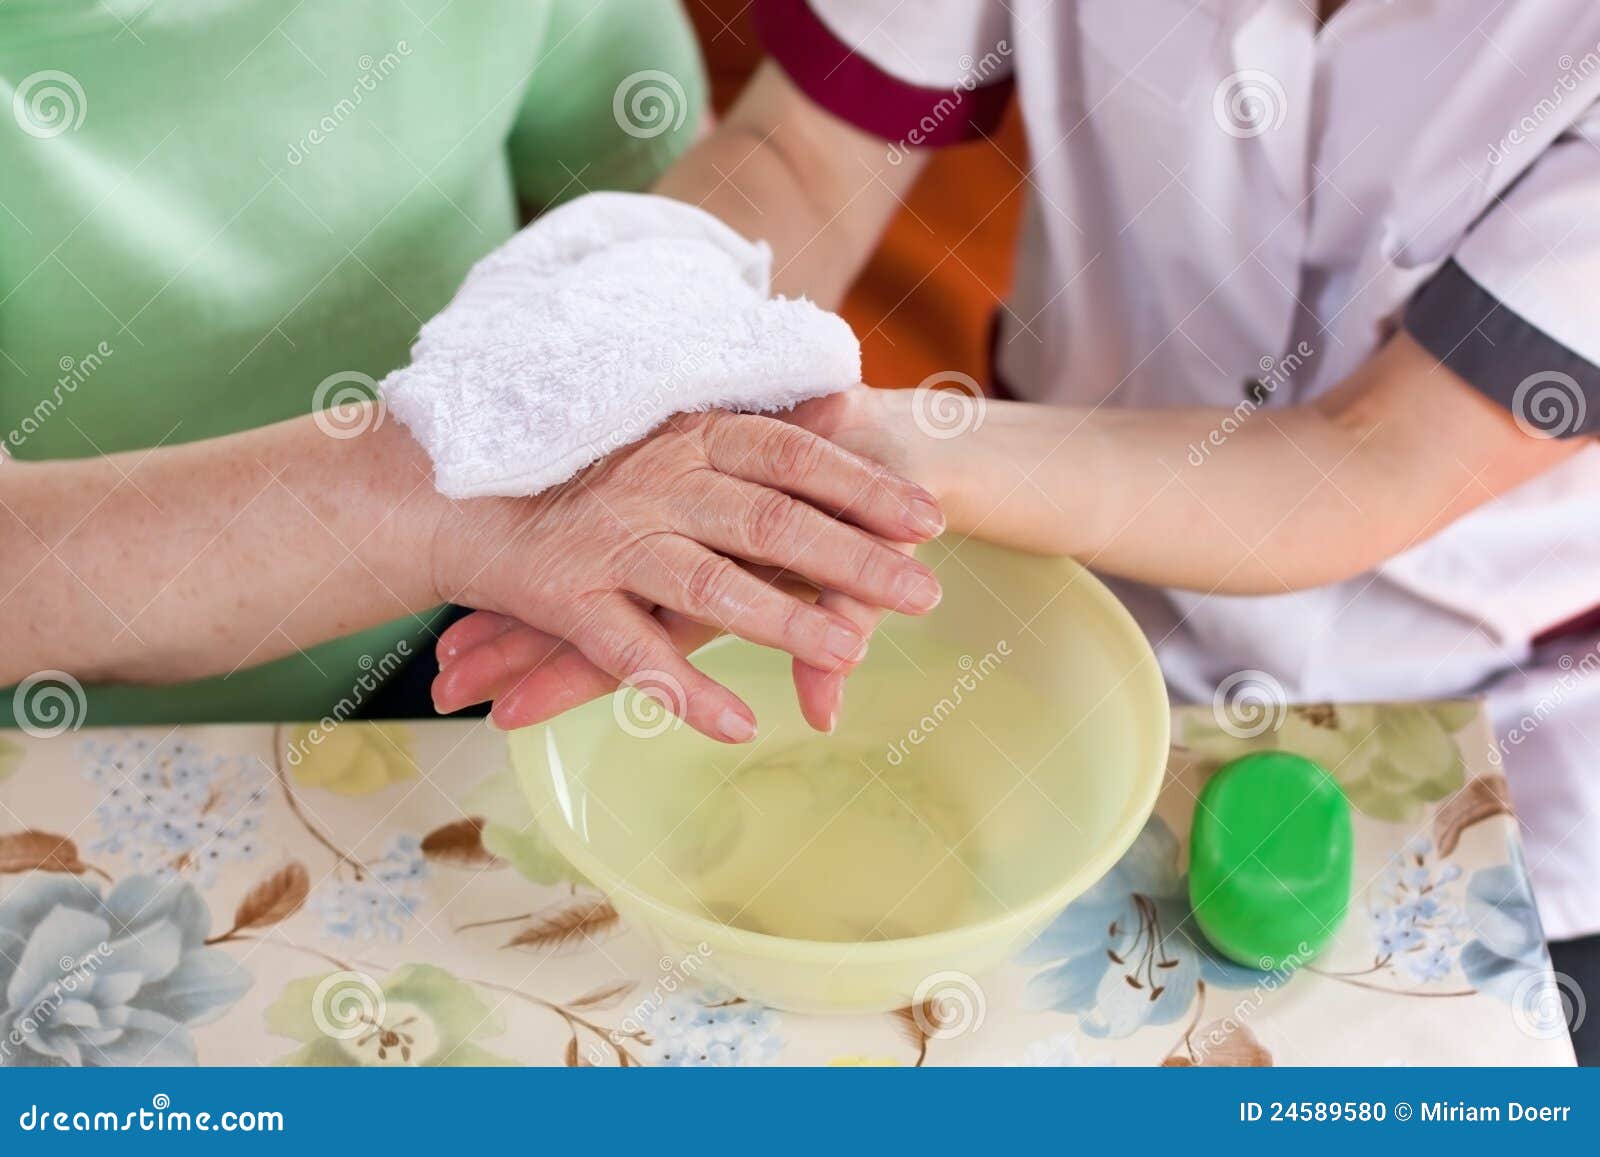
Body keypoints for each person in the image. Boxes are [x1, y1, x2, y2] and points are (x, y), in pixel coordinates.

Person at [436, 0, 1600, 989]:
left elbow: (1366, 456)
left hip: (1492, 720)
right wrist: (649, 370)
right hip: (1055, 624)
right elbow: (802, 151)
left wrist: (868, 454)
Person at [0, 2, 946, 744]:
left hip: (488, 635)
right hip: (71, 741)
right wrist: (445, 485)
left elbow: (669, 211)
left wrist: (686, 402)